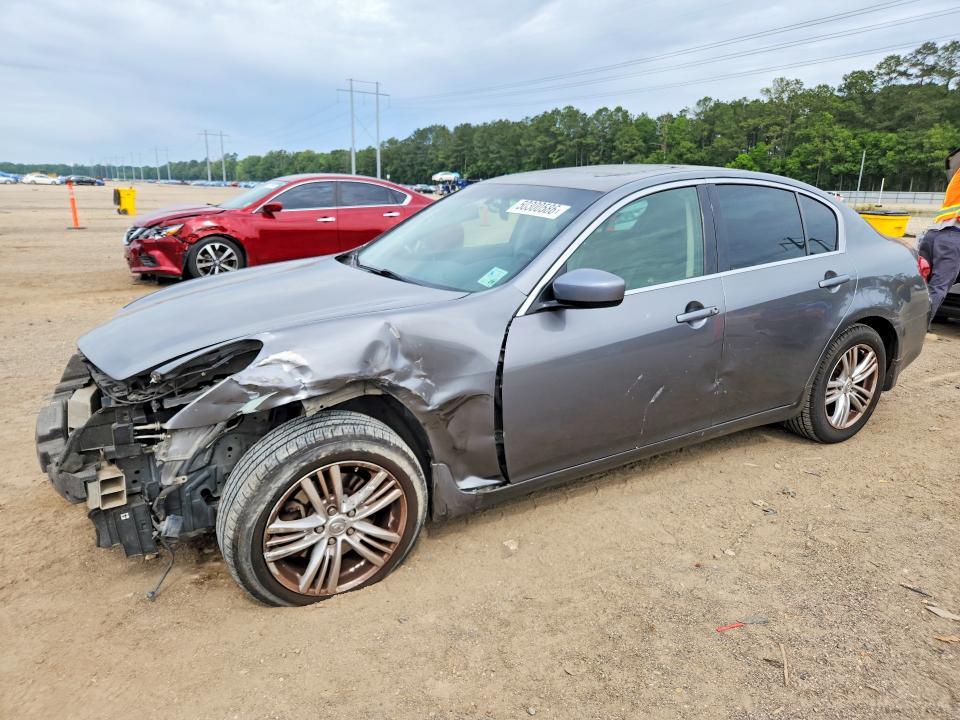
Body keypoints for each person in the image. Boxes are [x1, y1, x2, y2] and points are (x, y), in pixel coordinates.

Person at [918, 156, 960, 323]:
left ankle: (903, 324)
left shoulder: (957, 174)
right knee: (938, 287)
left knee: (921, 284)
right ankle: (918, 330)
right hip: (953, 237)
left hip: (933, 234)